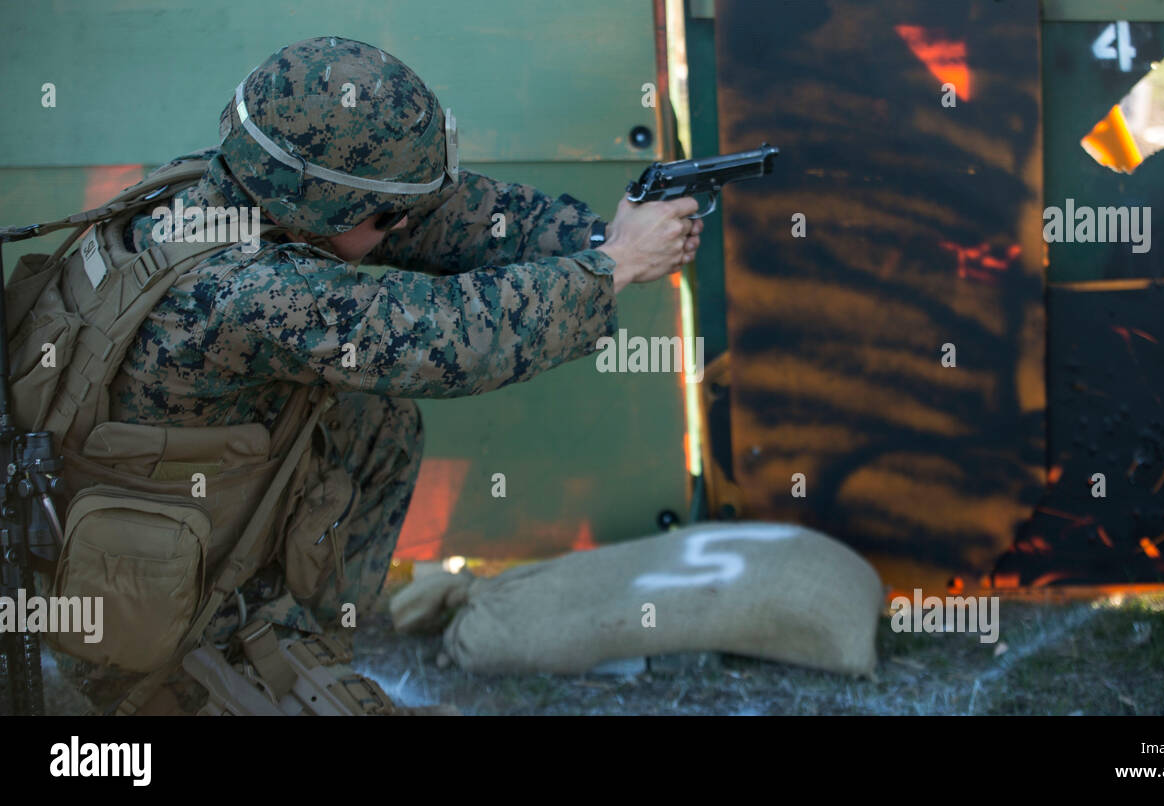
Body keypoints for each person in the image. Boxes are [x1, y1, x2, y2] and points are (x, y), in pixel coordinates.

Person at [52, 35, 702, 714]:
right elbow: (450, 334)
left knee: (373, 424)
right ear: (322, 210)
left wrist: (596, 238)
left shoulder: (221, 184)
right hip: (147, 593)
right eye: (386, 212)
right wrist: (617, 267)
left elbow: (428, 218)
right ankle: (223, 666)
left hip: (162, 501)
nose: (401, 224)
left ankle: (299, 637)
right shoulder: (251, 294)